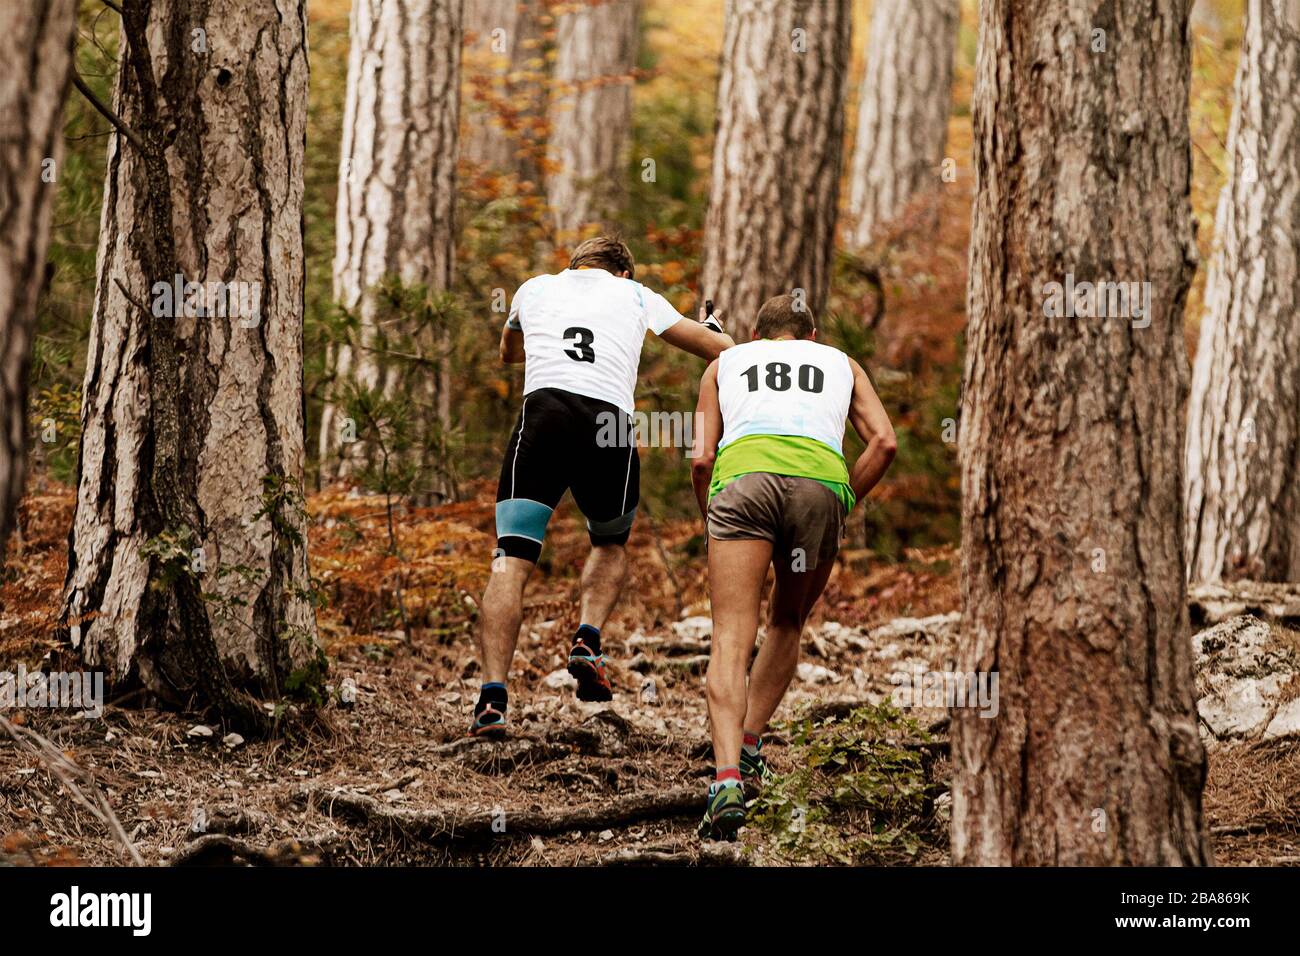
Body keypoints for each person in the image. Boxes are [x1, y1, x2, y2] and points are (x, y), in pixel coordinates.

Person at [471, 236, 735, 736]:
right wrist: (712, 329)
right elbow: (719, 351)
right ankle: (588, 639)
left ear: (575, 266)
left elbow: (509, 353)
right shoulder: (637, 296)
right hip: (607, 424)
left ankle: (492, 699)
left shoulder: (533, 289)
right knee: (610, 541)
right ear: (623, 274)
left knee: (511, 558)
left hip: (543, 416)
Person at [689, 293, 897, 839]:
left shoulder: (723, 363)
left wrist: (709, 512)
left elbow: (702, 457)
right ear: (811, 337)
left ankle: (727, 779)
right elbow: (885, 441)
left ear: (757, 337)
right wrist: (843, 496)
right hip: (819, 488)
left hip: (742, 485)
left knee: (731, 635)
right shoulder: (841, 363)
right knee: (786, 620)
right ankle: (753, 741)